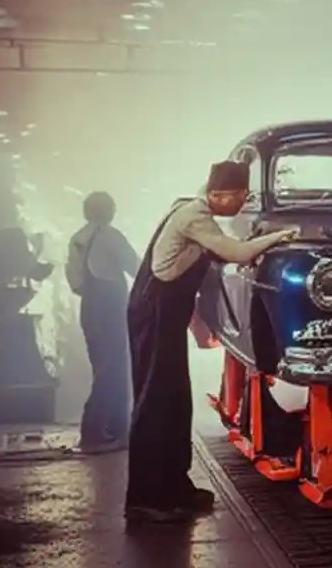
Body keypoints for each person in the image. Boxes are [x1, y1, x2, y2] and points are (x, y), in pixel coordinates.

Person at [126, 161, 296, 523]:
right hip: (154, 315)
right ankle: (146, 497)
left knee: (175, 399)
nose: (242, 202)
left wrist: (199, 325)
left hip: (166, 314)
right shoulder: (193, 215)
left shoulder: (198, 214)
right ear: (218, 194)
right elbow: (237, 253)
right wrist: (280, 237)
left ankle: (175, 487)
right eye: (241, 196)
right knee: (155, 402)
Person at [66, 192, 140, 453]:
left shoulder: (77, 238)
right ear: (107, 211)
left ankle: (107, 429)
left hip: (89, 307)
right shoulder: (111, 236)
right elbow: (136, 268)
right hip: (111, 307)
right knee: (115, 369)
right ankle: (100, 430)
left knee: (101, 365)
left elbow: (74, 283)